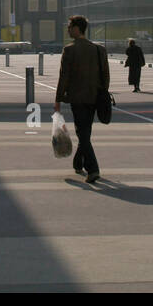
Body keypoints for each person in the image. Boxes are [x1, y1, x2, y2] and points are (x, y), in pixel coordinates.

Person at [54, 15, 109, 183]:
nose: (68, 30)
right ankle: (78, 162)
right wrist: (102, 93)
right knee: (85, 131)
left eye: (70, 27)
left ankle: (93, 169)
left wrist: (58, 99)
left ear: (77, 28)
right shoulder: (99, 50)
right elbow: (105, 76)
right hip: (94, 97)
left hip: (77, 97)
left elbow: (64, 76)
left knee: (82, 133)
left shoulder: (70, 50)